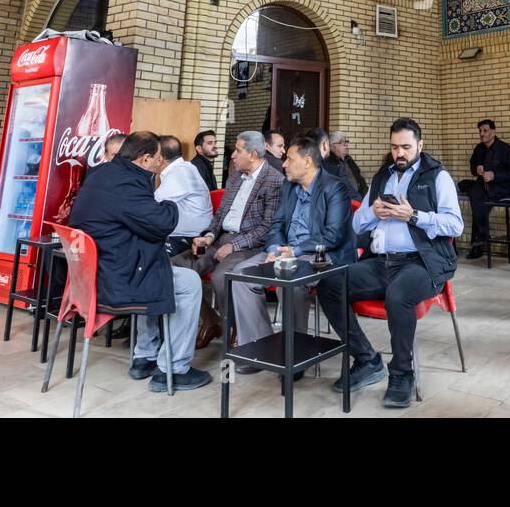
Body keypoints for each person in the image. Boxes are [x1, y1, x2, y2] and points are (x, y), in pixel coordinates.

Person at [317, 117, 464, 409]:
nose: (399, 153)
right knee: (330, 284)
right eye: (395, 147)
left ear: (420, 146)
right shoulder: (383, 176)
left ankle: (402, 373)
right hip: (380, 262)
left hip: (422, 263)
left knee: (398, 296)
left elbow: (455, 225)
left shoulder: (437, 177)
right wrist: (374, 211)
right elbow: (358, 225)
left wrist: (414, 216)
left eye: (406, 147)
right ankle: (367, 360)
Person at [68, 131, 210, 392]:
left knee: (160, 269)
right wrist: (172, 205)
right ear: (144, 159)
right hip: (114, 280)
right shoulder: (128, 185)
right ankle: (174, 368)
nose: (160, 162)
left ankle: (145, 354)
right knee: (187, 282)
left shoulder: (101, 174)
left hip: (88, 277)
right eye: (157, 158)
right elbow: (162, 222)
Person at [228, 134, 357, 372]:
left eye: (289, 158)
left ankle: (294, 353)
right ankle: (261, 347)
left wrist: (294, 251)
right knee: (241, 275)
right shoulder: (289, 186)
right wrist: (275, 249)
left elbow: (333, 236)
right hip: (286, 251)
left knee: (292, 281)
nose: (284, 164)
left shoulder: (334, 187)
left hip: (320, 255)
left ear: (307, 162)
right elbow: (276, 224)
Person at [172, 130, 283, 347]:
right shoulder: (235, 178)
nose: (232, 155)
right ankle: (211, 319)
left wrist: (234, 245)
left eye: (238, 151)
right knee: (174, 267)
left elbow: (266, 228)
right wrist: (208, 236)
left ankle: (235, 327)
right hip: (220, 239)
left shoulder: (274, 181)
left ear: (252, 154)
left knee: (222, 276)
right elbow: (220, 215)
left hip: (250, 245)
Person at [465, 119, 510, 260]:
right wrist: (476, 169)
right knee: (474, 194)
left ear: (493, 132)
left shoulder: (504, 149)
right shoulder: (479, 149)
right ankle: (483, 235)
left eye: (485, 131)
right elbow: (472, 167)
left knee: (481, 204)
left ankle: (478, 243)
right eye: (480, 131)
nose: (482, 134)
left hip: (501, 186)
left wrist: (495, 175)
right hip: (482, 185)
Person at [153, 134, 214, 258]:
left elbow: (151, 206)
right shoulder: (186, 168)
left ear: (159, 158)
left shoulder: (179, 173)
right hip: (187, 236)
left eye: (150, 155)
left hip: (190, 240)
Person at [328, 131, 365, 200]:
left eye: (346, 142)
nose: (346, 146)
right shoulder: (330, 163)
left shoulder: (349, 159)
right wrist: (360, 199)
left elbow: (360, 179)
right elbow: (343, 186)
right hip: (346, 201)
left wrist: (366, 196)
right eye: (341, 143)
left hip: (359, 200)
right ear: (332, 146)